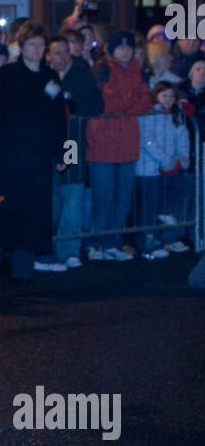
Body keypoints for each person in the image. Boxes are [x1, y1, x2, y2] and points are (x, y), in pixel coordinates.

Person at [0, 23, 67, 281]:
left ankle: (23, 271)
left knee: (32, 213)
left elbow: (58, 118)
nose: (37, 50)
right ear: (22, 47)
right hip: (10, 155)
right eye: (32, 45)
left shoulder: (51, 76)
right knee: (1, 212)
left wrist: (61, 153)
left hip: (38, 157)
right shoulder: (8, 73)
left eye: (41, 45)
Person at [85, 30, 152, 262]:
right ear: (111, 49)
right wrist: (128, 104)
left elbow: (146, 101)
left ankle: (112, 241)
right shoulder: (100, 69)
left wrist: (125, 107)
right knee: (102, 197)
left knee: (122, 199)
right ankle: (96, 243)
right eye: (120, 46)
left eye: (129, 47)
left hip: (127, 142)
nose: (126, 50)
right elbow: (105, 102)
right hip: (103, 141)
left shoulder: (138, 70)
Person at [46, 35, 104, 268]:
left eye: (65, 51)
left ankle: (69, 248)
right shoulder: (42, 75)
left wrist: (67, 99)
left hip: (72, 141)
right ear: (48, 55)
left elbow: (95, 105)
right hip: (47, 142)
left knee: (72, 192)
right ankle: (46, 248)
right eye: (56, 52)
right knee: (50, 196)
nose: (61, 56)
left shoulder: (81, 74)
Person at [135, 82, 192, 258]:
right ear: (156, 95)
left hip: (169, 166)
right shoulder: (149, 113)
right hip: (148, 167)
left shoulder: (176, 115)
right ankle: (148, 243)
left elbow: (183, 137)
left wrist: (182, 157)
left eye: (171, 96)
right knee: (148, 207)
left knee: (183, 187)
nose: (168, 99)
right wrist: (165, 160)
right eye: (164, 95)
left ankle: (168, 236)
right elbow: (147, 139)